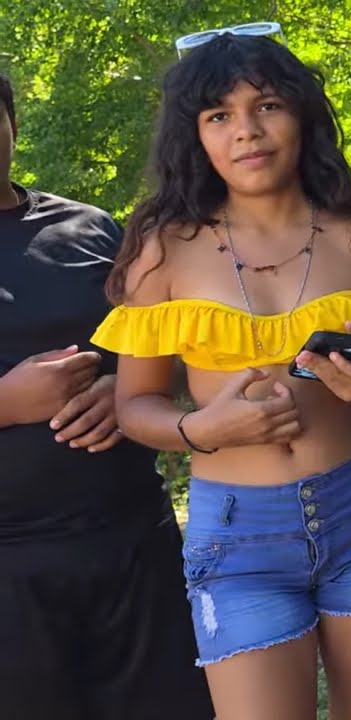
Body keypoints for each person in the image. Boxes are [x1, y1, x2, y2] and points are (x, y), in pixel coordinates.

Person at [91, 33, 351, 720]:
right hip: (238, 535)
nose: (246, 130)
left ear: (301, 115)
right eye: (219, 115)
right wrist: (203, 427)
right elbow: (134, 406)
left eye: (267, 105)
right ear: (194, 135)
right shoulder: (162, 254)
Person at [0, 72, 214, 720]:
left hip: (135, 546)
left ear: (11, 123)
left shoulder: (89, 228)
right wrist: (8, 403)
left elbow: (174, 349)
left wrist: (124, 387)